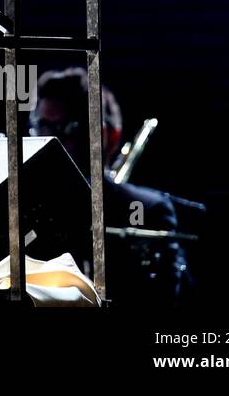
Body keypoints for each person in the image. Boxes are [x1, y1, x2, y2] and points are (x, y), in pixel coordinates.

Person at [31, 67, 190, 305]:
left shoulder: (147, 209)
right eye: (43, 127)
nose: (53, 142)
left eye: (70, 128)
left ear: (110, 137)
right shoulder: (25, 205)